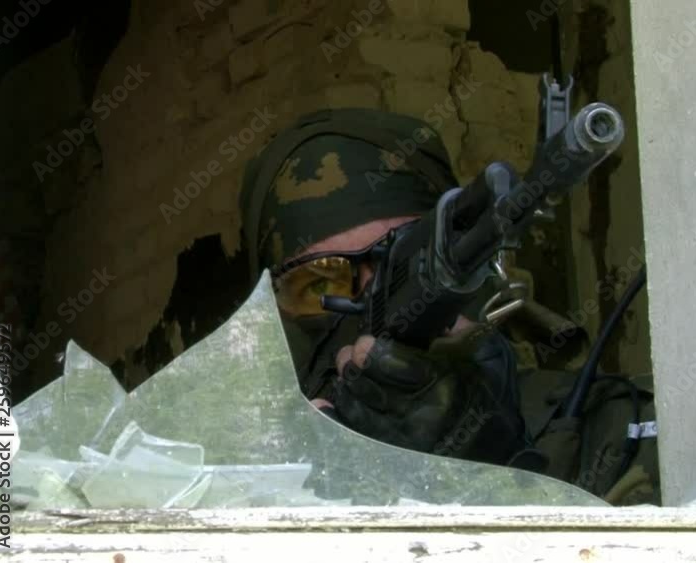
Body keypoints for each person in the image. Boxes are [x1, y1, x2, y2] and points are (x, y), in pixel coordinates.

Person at [239, 108, 660, 505]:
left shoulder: (608, 426)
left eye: (398, 261)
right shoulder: (227, 474)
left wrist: (495, 475)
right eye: (318, 282)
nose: (367, 305)